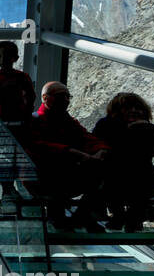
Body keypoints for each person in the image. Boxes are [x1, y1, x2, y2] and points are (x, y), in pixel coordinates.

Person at [26, 81, 112, 228]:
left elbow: (87, 138)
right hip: (44, 178)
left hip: (59, 177)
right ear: (45, 98)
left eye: (67, 96)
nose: (66, 100)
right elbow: (35, 147)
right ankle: (74, 215)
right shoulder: (35, 121)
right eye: (61, 96)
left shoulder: (67, 121)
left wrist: (101, 150)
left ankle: (77, 216)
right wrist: (71, 152)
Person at [91, 93, 154, 230]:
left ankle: (131, 217)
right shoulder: (106, 125)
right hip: (112, 175)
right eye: (128, 108)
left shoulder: (147, 128)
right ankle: (122, 216)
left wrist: (140, 130)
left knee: (141, 180)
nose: (134, 111)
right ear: (117, 110)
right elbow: (115, 151)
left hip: (139, 177)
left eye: (138, 108)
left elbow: (149, 150)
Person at [0, 40, 36, 202]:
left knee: (10, 155)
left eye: (5, 56)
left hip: (10, 123)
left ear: (15, 58)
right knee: (10, 154)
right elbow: (31, 97)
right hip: (6, 124)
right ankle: (9, 189)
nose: (2, 59)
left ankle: (12, 189)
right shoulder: (19, 77)